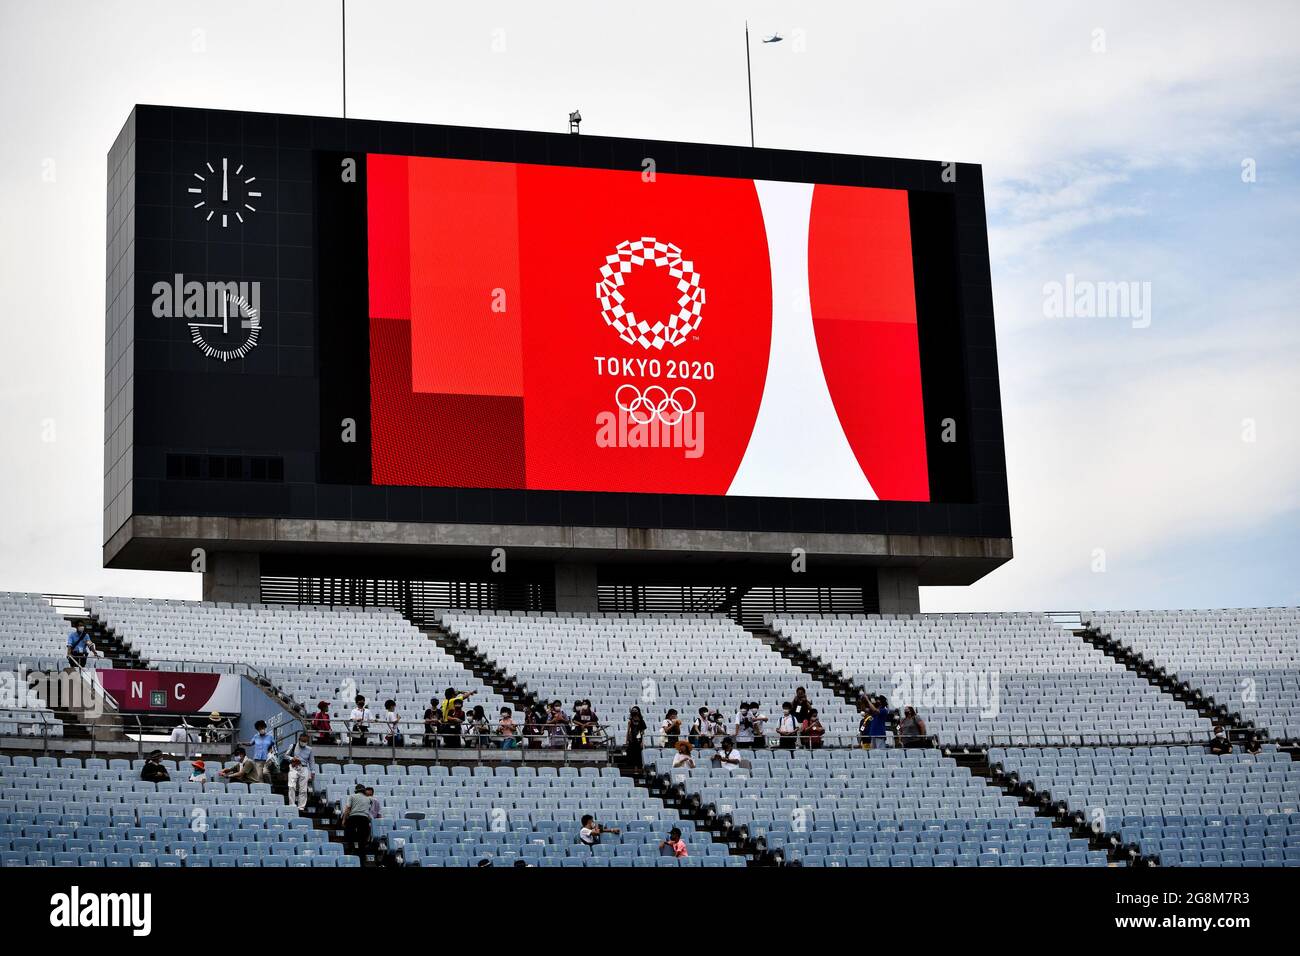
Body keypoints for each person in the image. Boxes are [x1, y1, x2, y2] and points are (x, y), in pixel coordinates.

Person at [286, 733, 315, 810]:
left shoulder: (310, 749)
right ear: (299, 740)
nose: (304, 742)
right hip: (294, 767)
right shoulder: (293, 746)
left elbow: (311, 761)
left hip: (304, 768)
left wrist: (313, 771)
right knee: (291, 786)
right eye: (302, 741)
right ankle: (291, 804)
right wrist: (292, 758)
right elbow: (285, 756)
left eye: (305, 741)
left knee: (303, 789)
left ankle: (301, 807)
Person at [341, 784, 372, 849]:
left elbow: (347, 809)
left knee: (350, 835)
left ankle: (351, 851)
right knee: (363, 838)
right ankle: (362, 856)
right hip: (364, 819)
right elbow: (368, 811)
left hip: (353, 817)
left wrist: (344, 820)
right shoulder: (368, 799)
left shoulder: (352, 796)